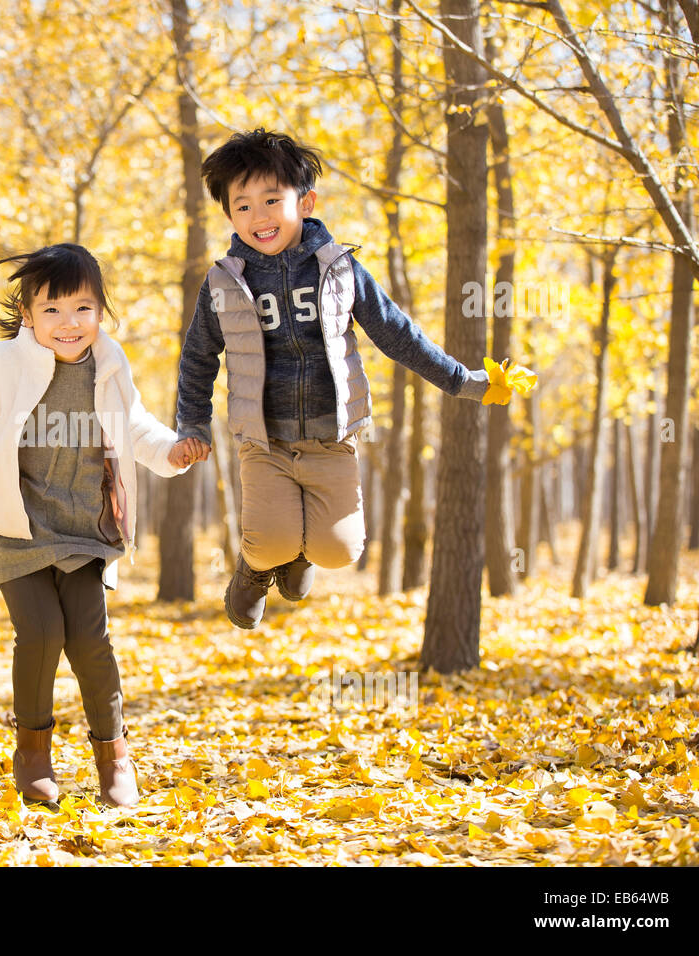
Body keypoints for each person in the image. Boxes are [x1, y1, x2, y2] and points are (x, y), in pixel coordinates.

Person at [0, 243, 205, 806]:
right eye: (52, 310)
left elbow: (135, 425)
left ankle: (114, 754)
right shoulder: (4, 363)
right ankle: (33, 753)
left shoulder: (110, 363)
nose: (68, 324)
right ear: (28, 315)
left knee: (89, 640)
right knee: (40, 634)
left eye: (82, 309)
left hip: (85, 529)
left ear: (101, 313)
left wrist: (171, 451)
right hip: (18, 527)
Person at [174, 128, 493, 629]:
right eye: (242, 206)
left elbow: (396, 334)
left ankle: (299, 555)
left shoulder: (340, 270)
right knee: (269, 540)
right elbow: (197, 360)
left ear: (305, 203)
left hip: (332, 437)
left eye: (272, 200)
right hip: (264, 441)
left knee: (340, 551)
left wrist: (460, 379)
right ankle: (255, 572)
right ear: (229, 215)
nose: (258, 216)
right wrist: (191, 425)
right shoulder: (223, 282)